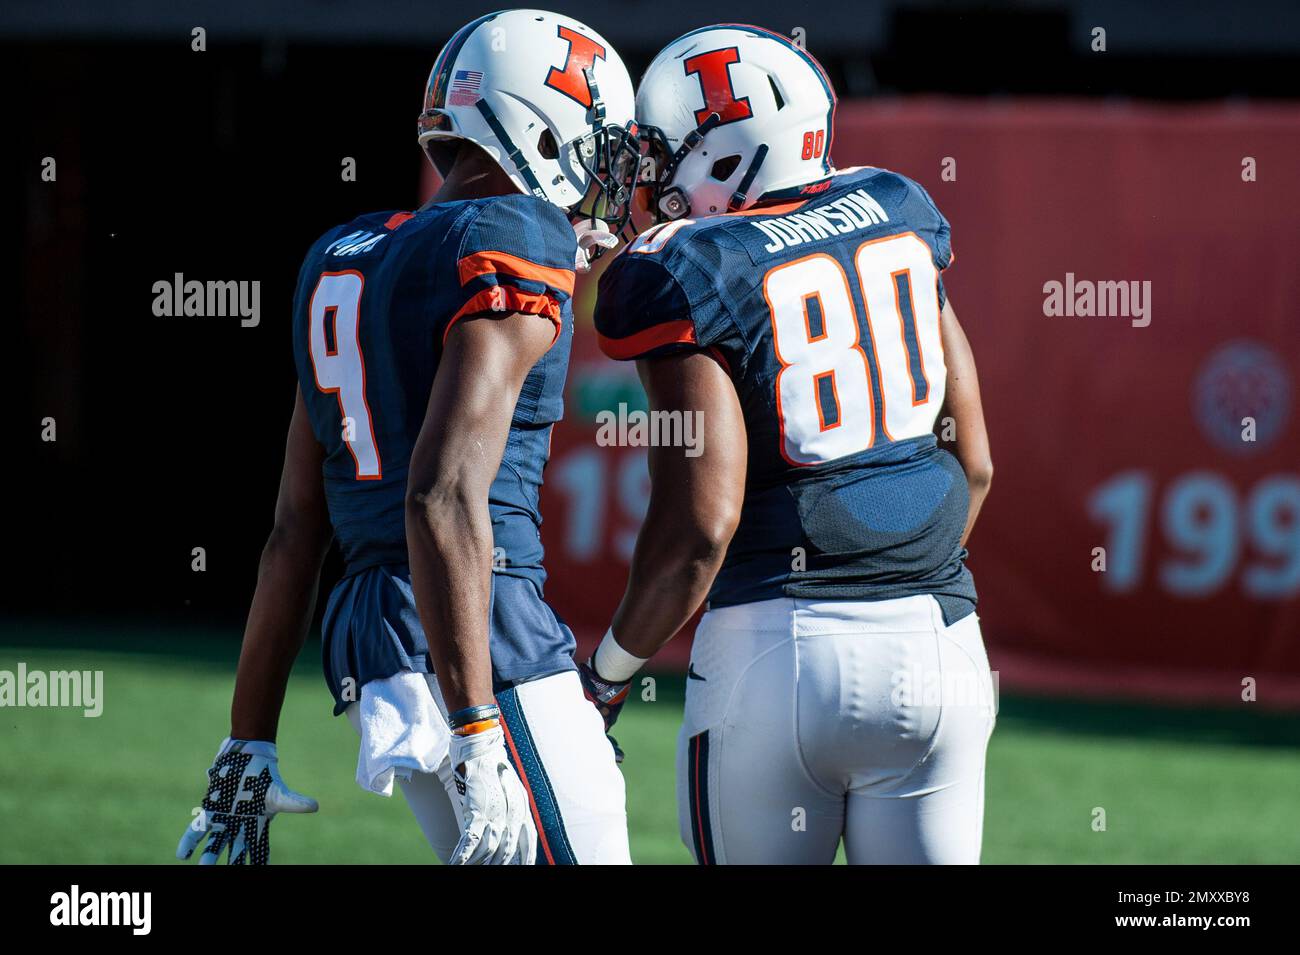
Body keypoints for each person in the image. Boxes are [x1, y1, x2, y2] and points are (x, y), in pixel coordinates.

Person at [178, 9, 639, 866]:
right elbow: (442, 493)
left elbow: (293, 529)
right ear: (544, 128)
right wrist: (475, 727)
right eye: (595, 138)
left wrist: (249, 742)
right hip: (476, 616)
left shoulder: (343, 251)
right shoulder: (516, 237)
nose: (605, 168)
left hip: (372, 628)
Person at [582, 24, 996, 864]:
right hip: (942, 644)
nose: (651, 178)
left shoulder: (683, 264)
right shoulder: (897, 205)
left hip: (776, 652)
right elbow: (976, 459)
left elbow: (702, 525)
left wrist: (608, 675)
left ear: (729, 159)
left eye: (665, 156)